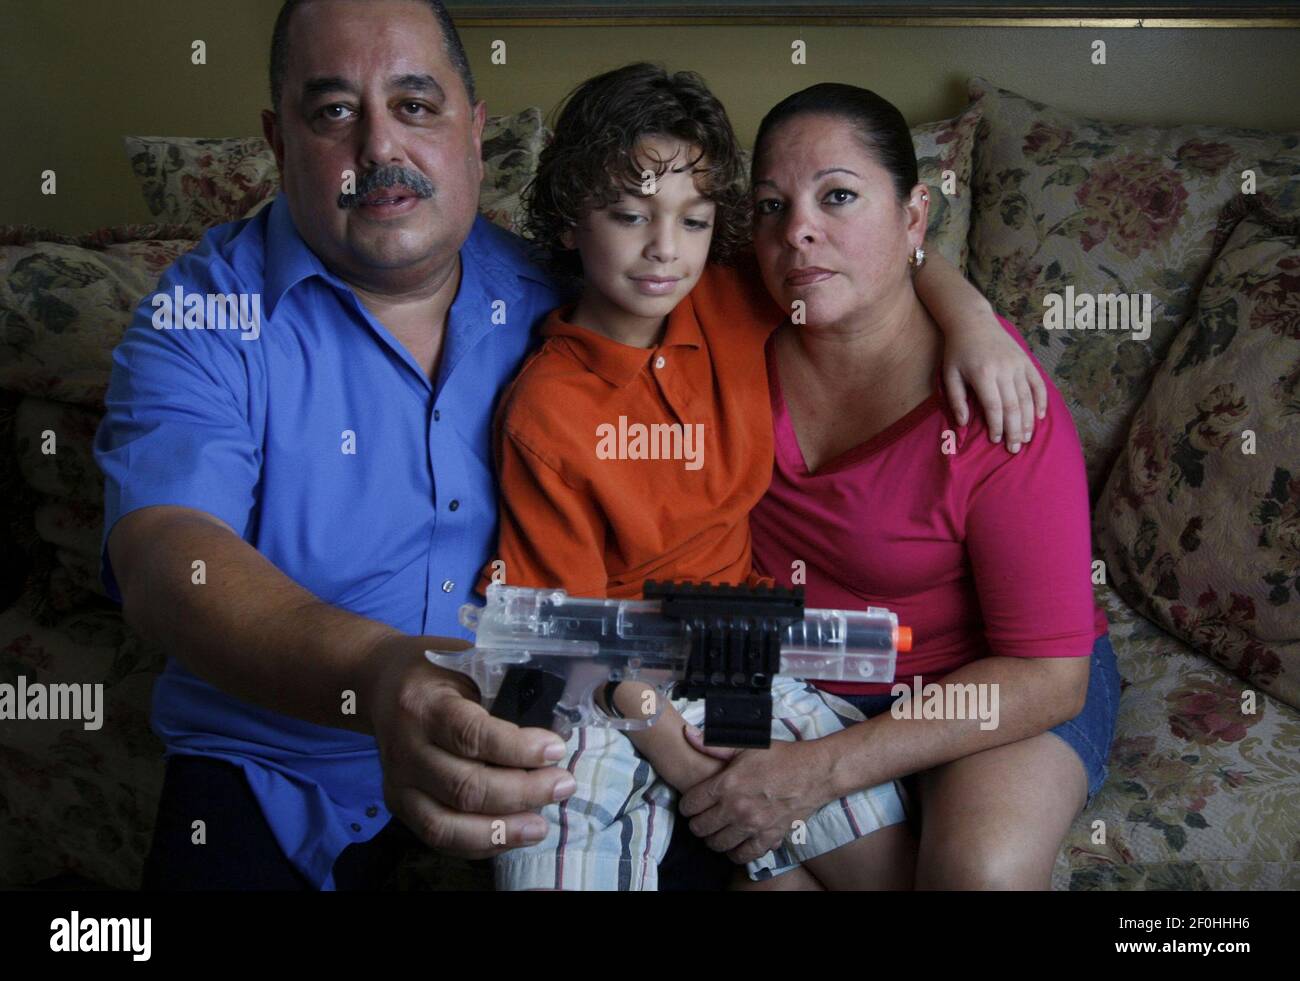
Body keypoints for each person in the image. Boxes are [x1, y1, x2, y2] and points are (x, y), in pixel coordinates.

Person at [95, 0, 1046, 891]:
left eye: (415, 104)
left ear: (474, 127)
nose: (380, 145)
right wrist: (379, 677)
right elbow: (164, 554)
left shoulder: (563, 276)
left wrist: (972, 319)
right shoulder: (205, 315)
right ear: (278, 140)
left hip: (556, 721)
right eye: (334, 110)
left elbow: (831, 249)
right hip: (281, 757)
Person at [481, 63, 913, 892]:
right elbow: (569, 639)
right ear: (572, 220)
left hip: (737, 651)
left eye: (694, 220)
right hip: (606, 692)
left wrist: (979, 329)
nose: (663, 250)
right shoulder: (546, 409)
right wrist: (676, 753)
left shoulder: (728, 298)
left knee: (886, 870)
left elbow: (883, 264)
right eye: (628, 215)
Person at [678, 84, 1122, 890]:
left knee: (976, 874)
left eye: (838, 195)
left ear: (916, 215)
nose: (799, 231)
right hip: (800, 676)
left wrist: (821, 769)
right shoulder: (729, 314)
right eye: (772, 206)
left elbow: (1049, 673)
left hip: (991, 678)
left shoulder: (996, 400)